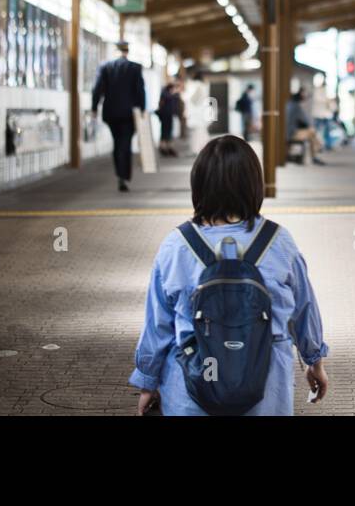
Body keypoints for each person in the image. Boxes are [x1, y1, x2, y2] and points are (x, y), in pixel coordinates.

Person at [130, 135, 329, 416]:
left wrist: (147, 383)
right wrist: (314, 360)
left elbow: (157, 325)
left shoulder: (176, 246)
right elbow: (303, 309)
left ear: (198, 184)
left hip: (191, 388)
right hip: (265, 388)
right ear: (254, 185)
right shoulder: (279, 242)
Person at [91, 41, 146, 192]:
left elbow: (97, 89)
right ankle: (124, 176)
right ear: (127, 51)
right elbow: (140, 89)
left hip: (111, 113)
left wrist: (94, 108)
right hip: (129, 113)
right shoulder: (135, 67)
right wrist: (142, 109)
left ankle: (119, 175)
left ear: (115, 51)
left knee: (116, 143)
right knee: (126, 144)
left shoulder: (105, 67)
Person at [286, 89, 326, 166]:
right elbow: (305, 120)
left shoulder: (289, 105)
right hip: (291, 134)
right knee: (312, 131)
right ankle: (317, 150)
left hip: (288, 132)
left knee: (311, 134)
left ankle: (317, 150)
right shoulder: (296, 107)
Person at [185, 71, 213, 156]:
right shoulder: (202, 86)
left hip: (197, 114)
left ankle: (198, 149)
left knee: (197, 133)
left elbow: (193, 99)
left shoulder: (195, 86)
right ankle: (203, 149)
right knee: (201, 132)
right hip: (201, 114)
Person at [156, 80, 180, 158]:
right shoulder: (165, 92)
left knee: (169, 131)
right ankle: (163, 147)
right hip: (165, 115)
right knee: (164, 131)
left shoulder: (173, 94)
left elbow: (176, 102)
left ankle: (168, 147)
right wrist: (174, 93)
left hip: (169, 115)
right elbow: (167, 98)